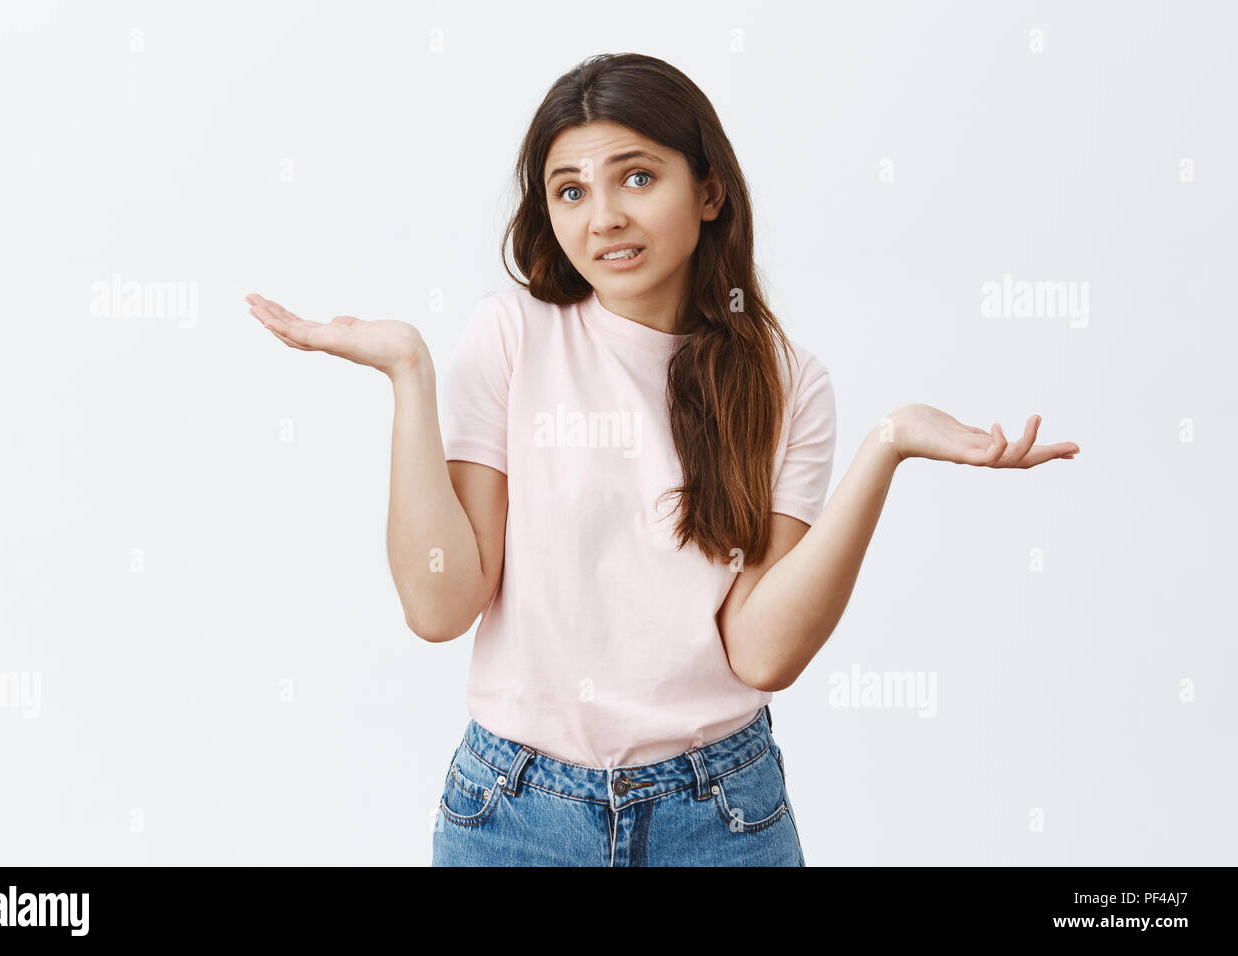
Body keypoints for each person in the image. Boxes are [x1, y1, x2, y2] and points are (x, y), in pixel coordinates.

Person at [244, 53, 1080, 867]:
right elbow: (440, 605)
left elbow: (761, 655)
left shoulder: (788, 384)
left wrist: (887, 446)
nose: (601, 216)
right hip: (512, 812)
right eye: (570, 191)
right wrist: (409, 374)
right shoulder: (512, 337)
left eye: (637, 177)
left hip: (720, 814)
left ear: (709, 190)